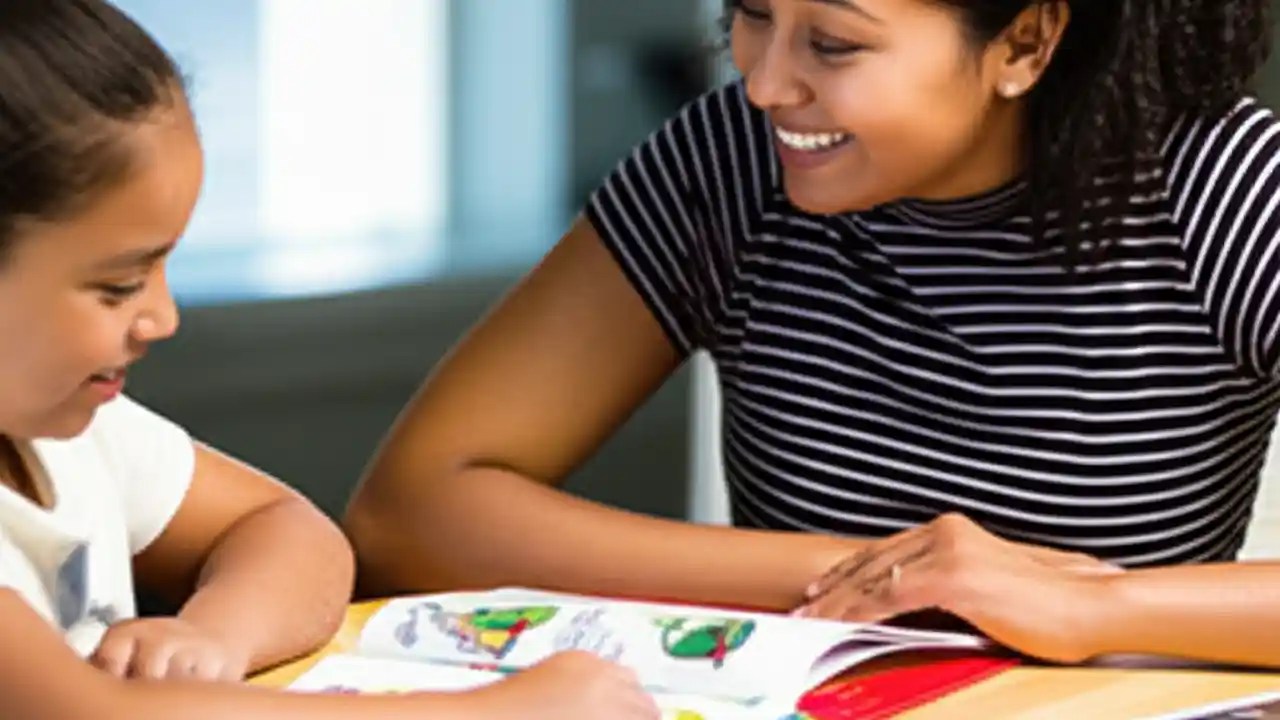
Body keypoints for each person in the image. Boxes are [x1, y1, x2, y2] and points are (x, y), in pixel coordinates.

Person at [346, 0, 1280, 669]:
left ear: (1024, 42)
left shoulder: (1224, 190)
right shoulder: (730, 165)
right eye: (751, 14)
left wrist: (1095, 607)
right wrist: (865, 574)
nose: (762, 83)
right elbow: (412, 509)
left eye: (833, 44)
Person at [0, 2, 658, 719]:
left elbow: (290, 530)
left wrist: (213, 636)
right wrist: (502, 711)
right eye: (120, 286)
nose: (164, 316)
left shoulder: (78, 434)